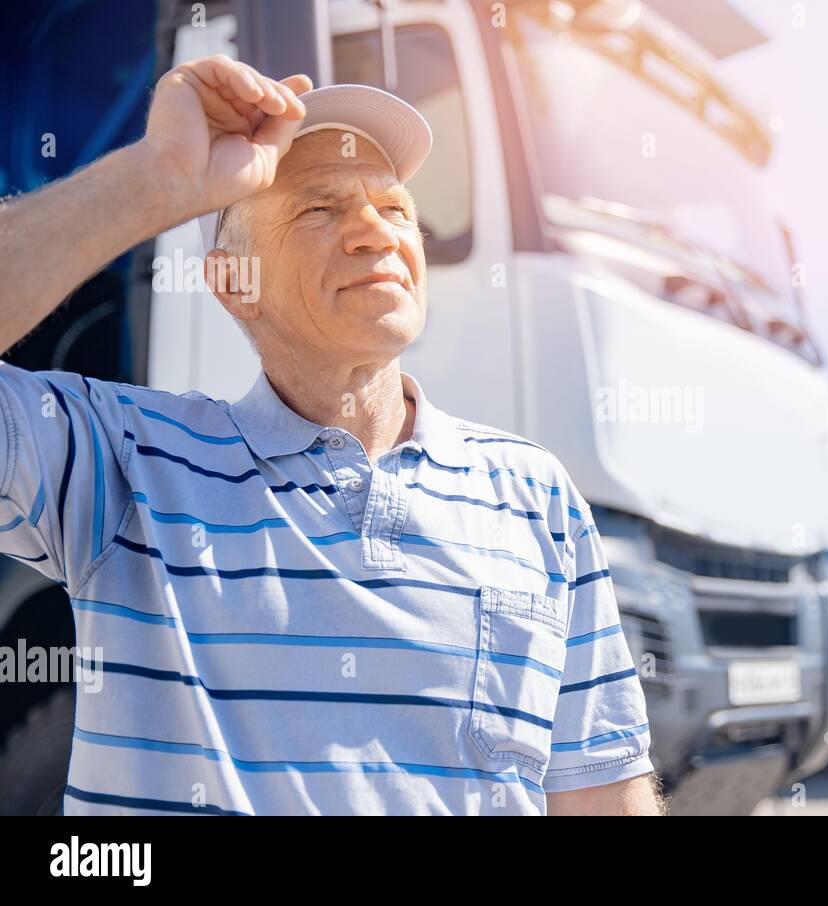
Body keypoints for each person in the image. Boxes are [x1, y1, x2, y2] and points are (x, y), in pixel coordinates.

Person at [0, 55, 660, 815]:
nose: (374, 233)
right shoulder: (125, 462)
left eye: (397, 208)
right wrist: (156, 179)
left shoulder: (536, 495)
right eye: (321, 209)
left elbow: (602, 790)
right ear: (232, 281)